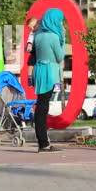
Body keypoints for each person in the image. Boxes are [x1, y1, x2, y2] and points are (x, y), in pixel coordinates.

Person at [32, 8, 65, 153]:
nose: (61, 23)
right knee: (43, 108)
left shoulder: (38, 35)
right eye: (60, 20)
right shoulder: (53, 37)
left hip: (38, 71)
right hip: (49, 73)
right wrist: (63, 38)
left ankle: (42, 141)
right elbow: (59, 57)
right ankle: (43, 143)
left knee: (41, 106)